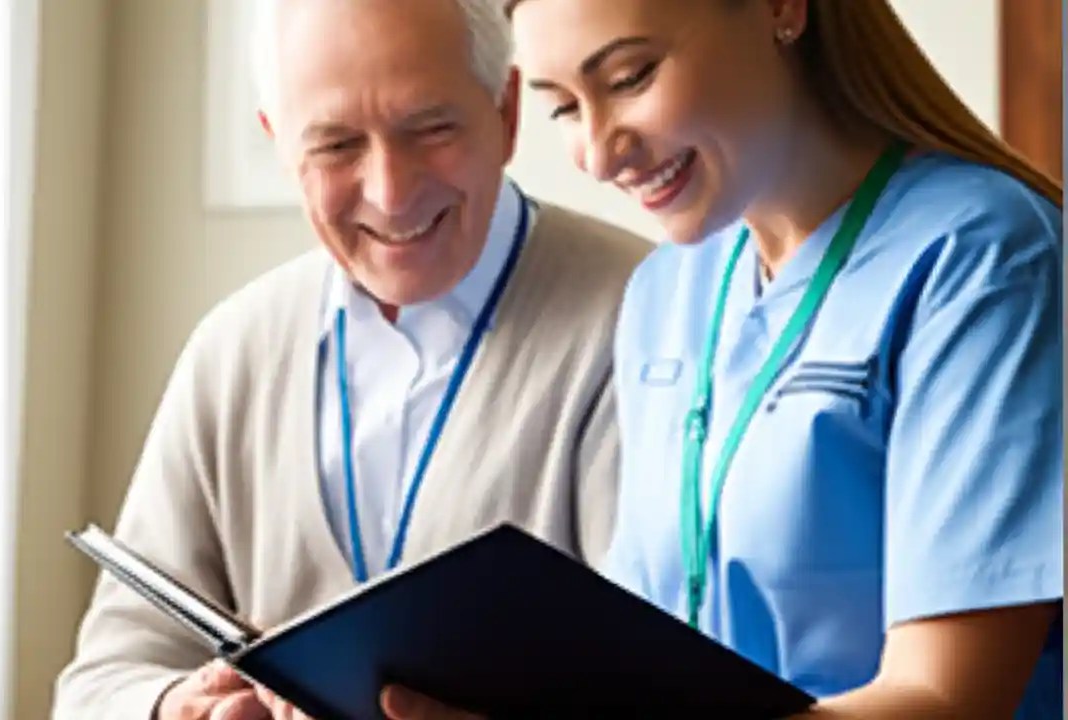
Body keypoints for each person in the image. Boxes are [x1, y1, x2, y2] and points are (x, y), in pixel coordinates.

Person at [371, 0, 1064, 718]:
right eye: (565, 109)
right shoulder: (667, 291)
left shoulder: (984, 259)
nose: (600, 156)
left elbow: (948, 698)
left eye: (630, 77)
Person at [50, 0, 655, 717]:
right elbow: (97, 685)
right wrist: (181, 705)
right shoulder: (233, 352)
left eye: (430, 129)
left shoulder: (649, 324)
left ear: (506, 112)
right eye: (337, 145)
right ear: (281, 145)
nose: (391, 194)